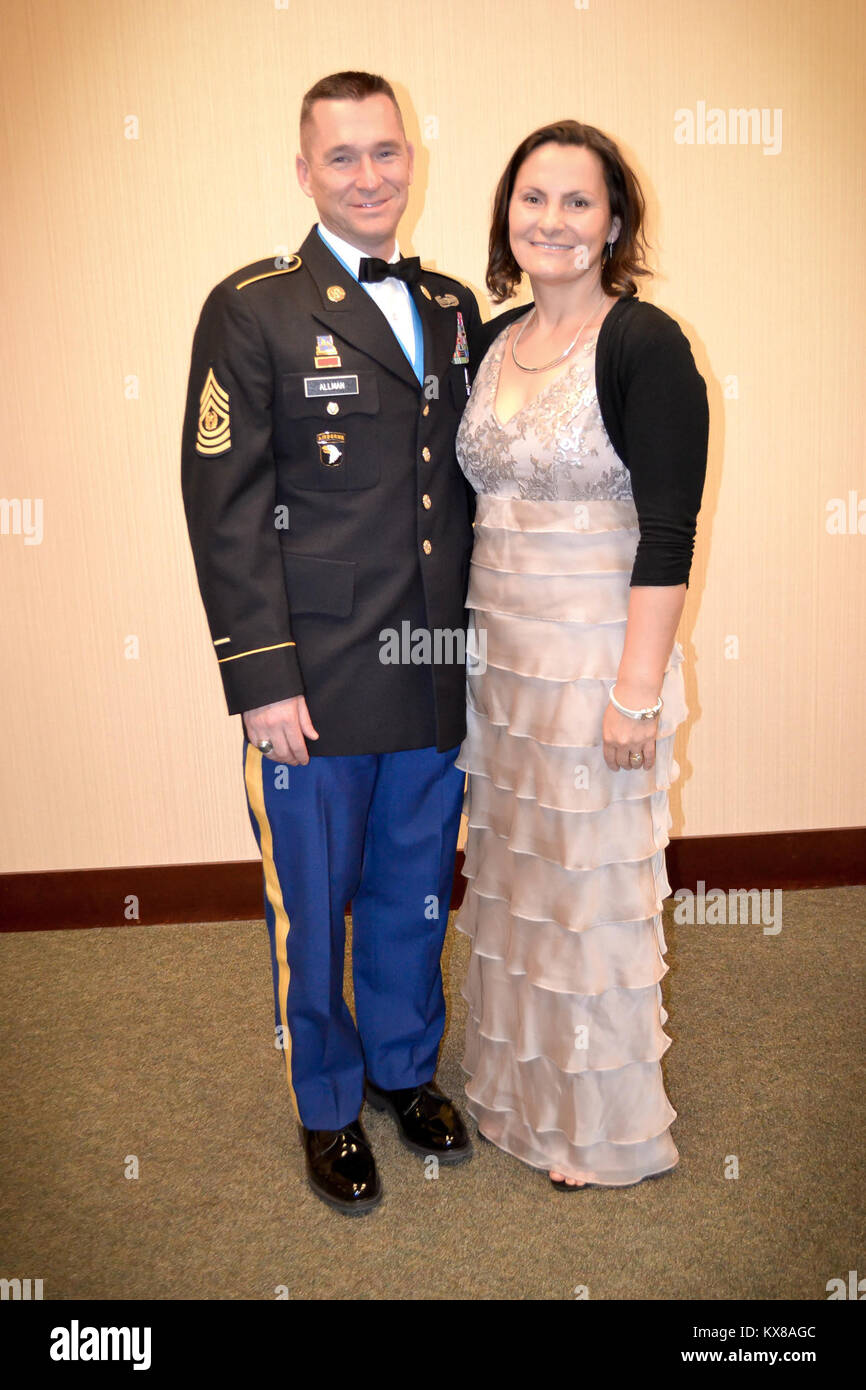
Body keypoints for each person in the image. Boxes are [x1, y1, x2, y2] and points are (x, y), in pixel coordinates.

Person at [181, 71, 483, 1215]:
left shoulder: (452, 305)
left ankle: (404, 1070)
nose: (369, 176)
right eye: (342, 157)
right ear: (303, 170)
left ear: (412, 159)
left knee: (413, 885)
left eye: (386, 152)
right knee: (312, 898)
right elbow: (224, 502)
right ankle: (325, 1098)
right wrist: (260, 677)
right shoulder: (252, 307)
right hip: (312, 678)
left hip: (431, 675)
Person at [455, 121, 708, 1189]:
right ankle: (517, 1093)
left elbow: (666, 532)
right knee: (519, 886)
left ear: (614, 221)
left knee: (589, 894)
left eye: (576, 201)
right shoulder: (490, 338)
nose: (550, 221)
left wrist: (635, 697)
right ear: (505, 217)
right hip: (500, 672)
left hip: (598, 666)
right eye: (531, 199)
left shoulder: (643, 345)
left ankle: (592, 1127)